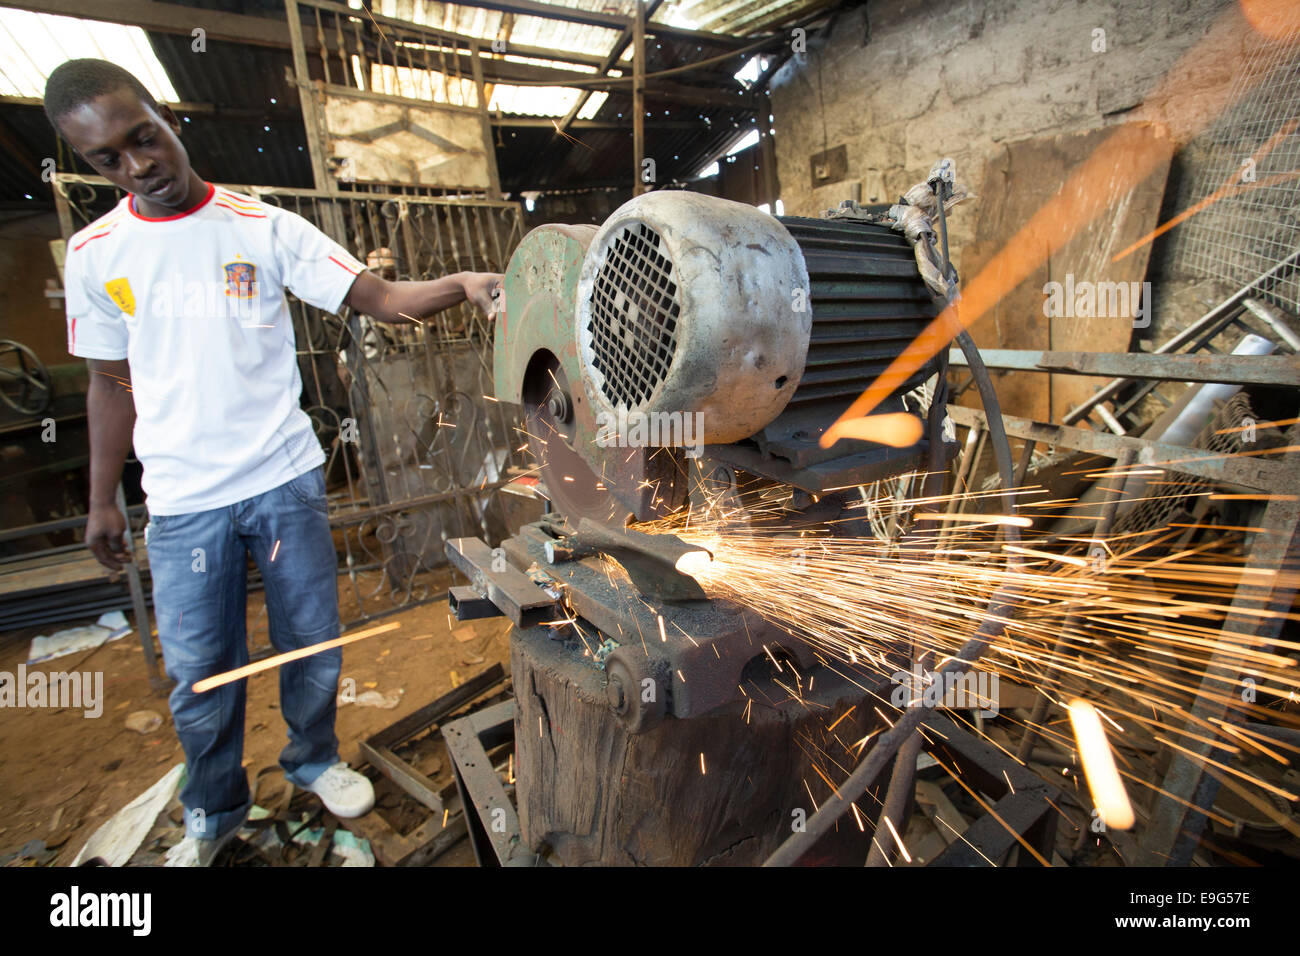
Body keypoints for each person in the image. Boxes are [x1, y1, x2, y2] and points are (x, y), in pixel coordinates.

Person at [43, 59, 502, 866]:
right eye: (107, 159)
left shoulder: (263, 227)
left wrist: (462, 281)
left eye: (142, 136)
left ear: (165, 114)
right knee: (198, 672)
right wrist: (102, 498)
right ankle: (214, 809)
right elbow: (109, 382)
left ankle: (313, 759)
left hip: (283, 480)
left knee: (310, 639)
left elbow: (381, 300)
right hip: (182, 498)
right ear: (91, 168)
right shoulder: (95, 253)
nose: (137, 165)